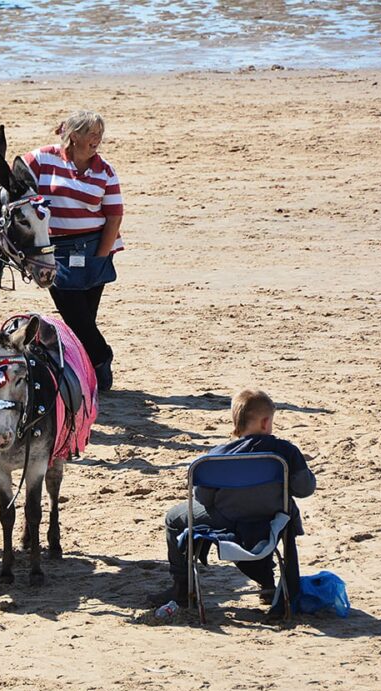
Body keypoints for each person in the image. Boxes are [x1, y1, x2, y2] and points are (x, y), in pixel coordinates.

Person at [149, 389, 316, 612]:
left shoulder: (216, 456)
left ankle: (182, 587)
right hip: (272, 520)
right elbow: (304, 489)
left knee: (173, 518)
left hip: (225, 519)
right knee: (266, 521)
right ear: (266, 422)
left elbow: (204, 498)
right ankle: (267, 584)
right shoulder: (285, 452)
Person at [22, 110, 123, 392]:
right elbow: (15, 177)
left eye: (100, 134)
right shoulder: (42, 159)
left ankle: (87, 373)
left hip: (96, 246)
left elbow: (114, 216)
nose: (97, 139)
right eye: (91, 133)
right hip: (55, 250)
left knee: (85, 319)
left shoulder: (105, 170)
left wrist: (99, 258)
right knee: (74, 314)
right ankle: (102, 358)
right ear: (73, 135)